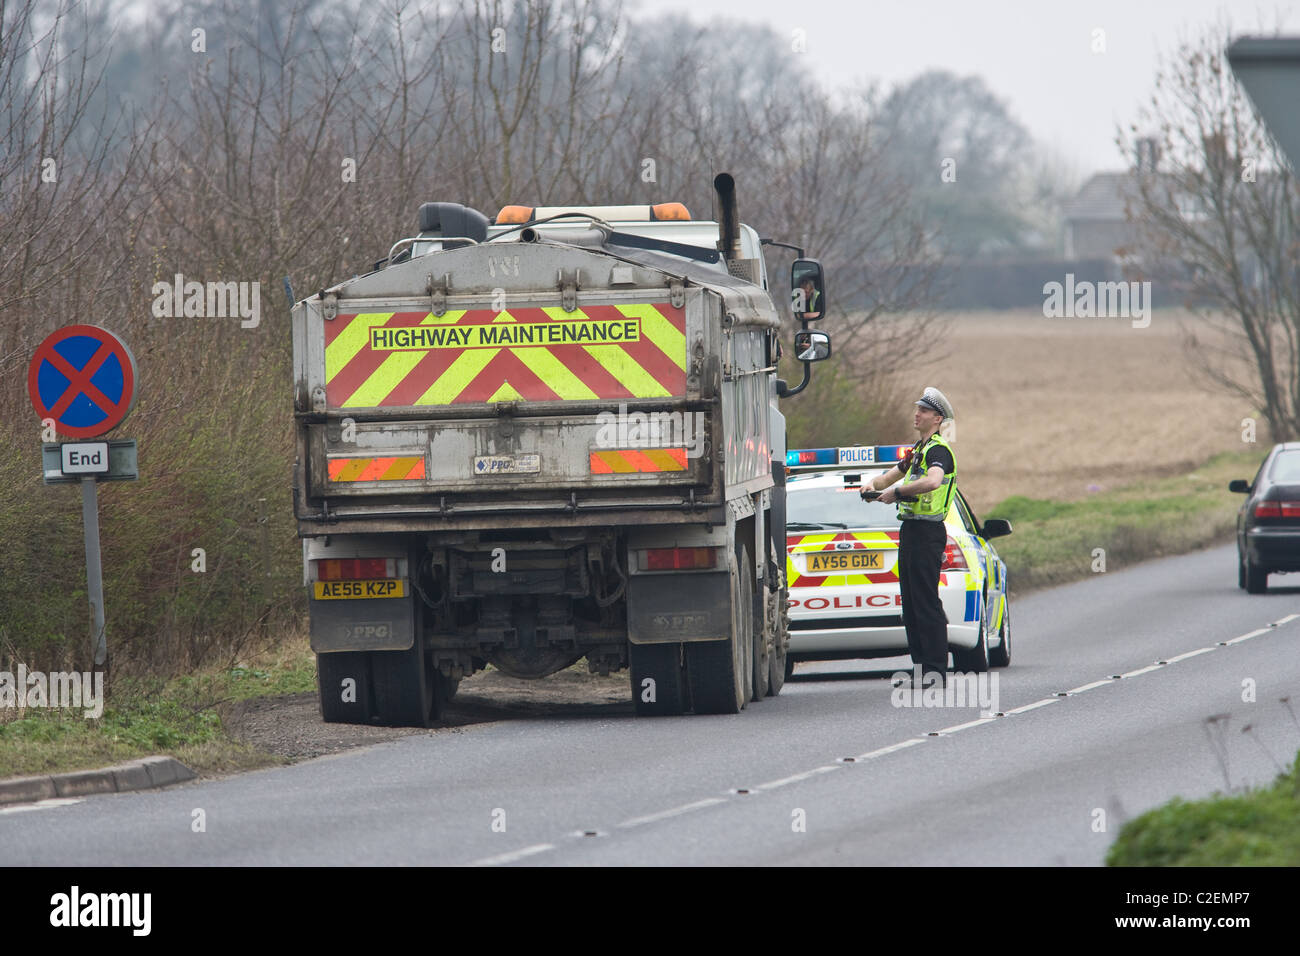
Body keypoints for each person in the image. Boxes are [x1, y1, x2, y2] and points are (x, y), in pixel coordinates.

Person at [862, 386, 956, 687]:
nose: (917, 414)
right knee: (912, 603)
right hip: (911, 531)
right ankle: (922, 666)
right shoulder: (918, 450)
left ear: (937, 418)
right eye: (917, 409)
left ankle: (935, 670)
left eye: (924, 411)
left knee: (926, 601)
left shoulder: (939, 450)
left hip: (929, 532)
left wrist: (897, 492)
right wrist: (870, 485)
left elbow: (933, 481)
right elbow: (890, 475)